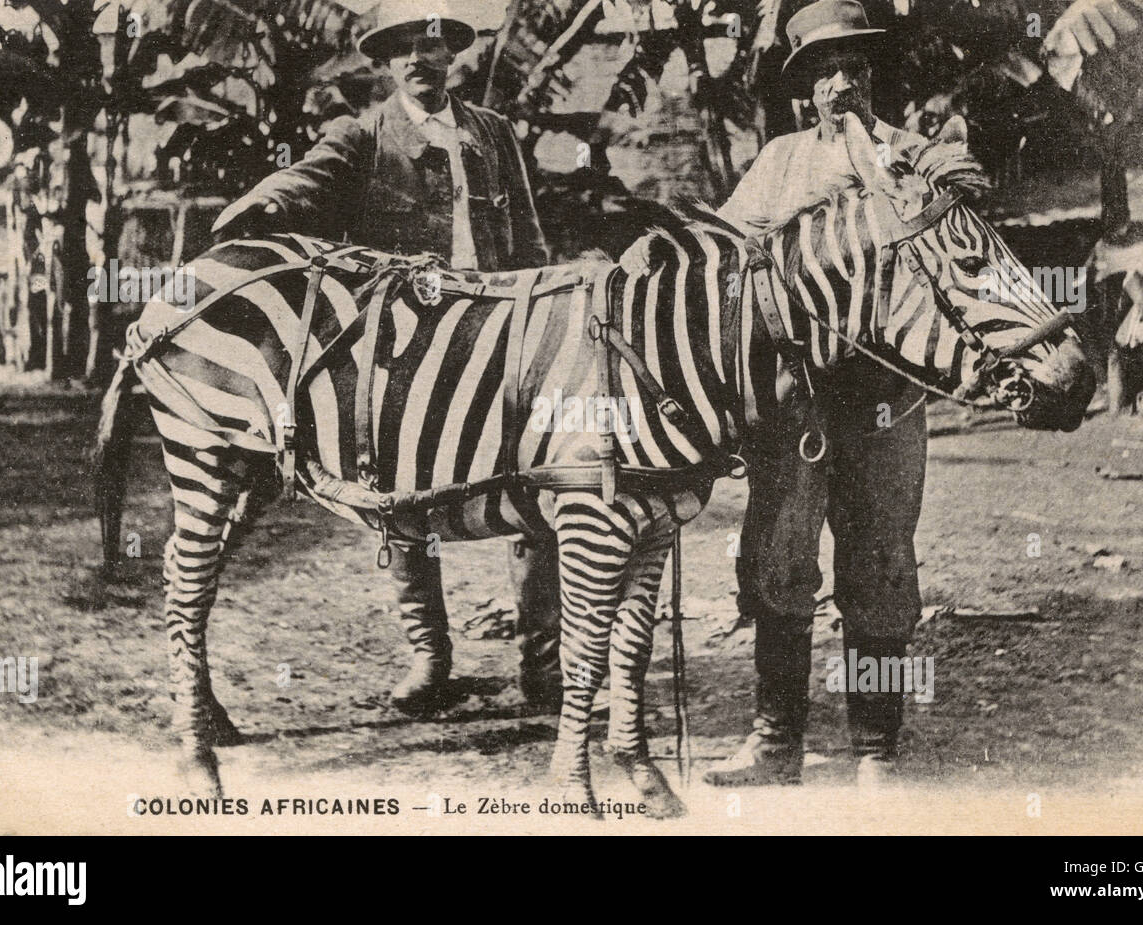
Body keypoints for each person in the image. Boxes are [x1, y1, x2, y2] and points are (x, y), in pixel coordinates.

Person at [213, 0, 561, 714]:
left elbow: (527, 237)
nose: (418, 60)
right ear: (388, 61)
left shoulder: (493, 134)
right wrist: (248, 214)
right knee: (402, 499)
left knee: (536, 485)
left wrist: (544, 313)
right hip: (408, 344)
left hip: (499, 331)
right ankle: (430, 658)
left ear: (451, 57)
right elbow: (304, 181)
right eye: (404, 49)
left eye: (430, 48)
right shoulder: (364, 135)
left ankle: (544, 666)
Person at [622, 0, 931, 788]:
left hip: (884, 402)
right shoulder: (780, 161)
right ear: (805, 88)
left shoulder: (912, 156)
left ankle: (874, 748)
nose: (843, 84)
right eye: (826, 71)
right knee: (779, 562)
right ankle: (776, 741)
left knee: (882, 568)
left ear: (872, 76)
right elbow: (720, 260)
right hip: (794, 407)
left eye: (855, 67)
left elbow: (947, 263)